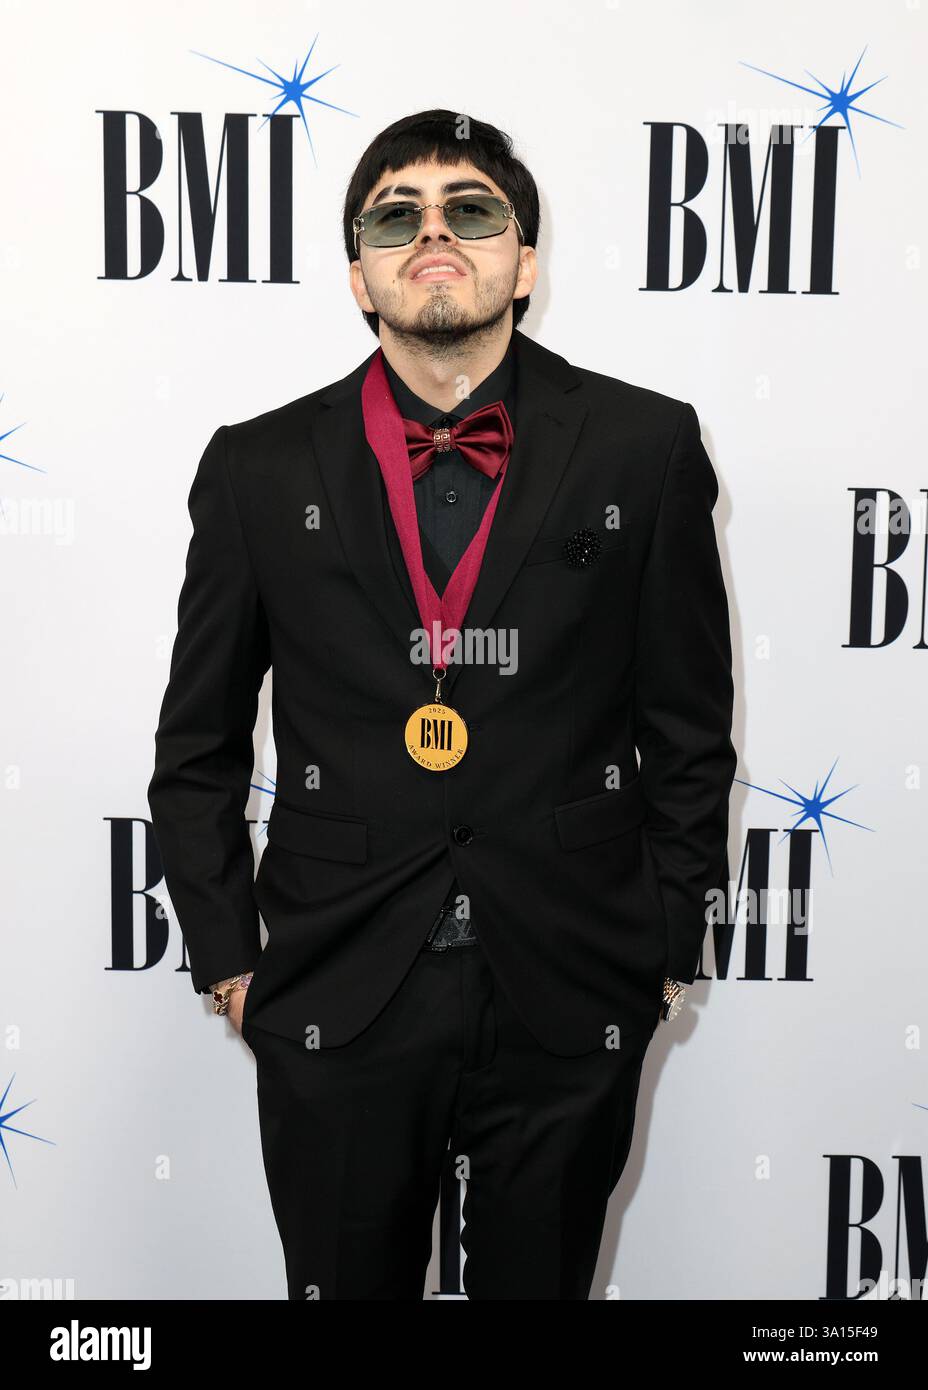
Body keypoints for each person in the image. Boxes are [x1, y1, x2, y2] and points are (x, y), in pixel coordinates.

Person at [147, 108, 737, 1300]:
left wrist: (665, 946)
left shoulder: (644, 447)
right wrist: (230, 960)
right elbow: (196, 741)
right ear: (356, 270)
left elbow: (685, 728)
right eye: (395, 215)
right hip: (339, 985)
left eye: (470, 210)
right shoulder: (256, 467)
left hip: (571, 982)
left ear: (525, 260)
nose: (434, 233)